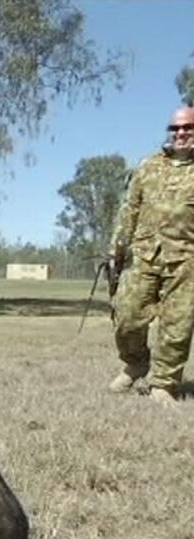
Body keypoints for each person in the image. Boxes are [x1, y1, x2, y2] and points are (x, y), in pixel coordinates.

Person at [106, 105, 194, 407]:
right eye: (176, 128)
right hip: (145, 256)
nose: (181, 133)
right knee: (127, 316)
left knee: (177, 324)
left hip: (186, 261)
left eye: (187, 128)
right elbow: (129, 210)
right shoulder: (147, 166)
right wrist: (116, 249)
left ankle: (164, 383)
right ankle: (136, 363)